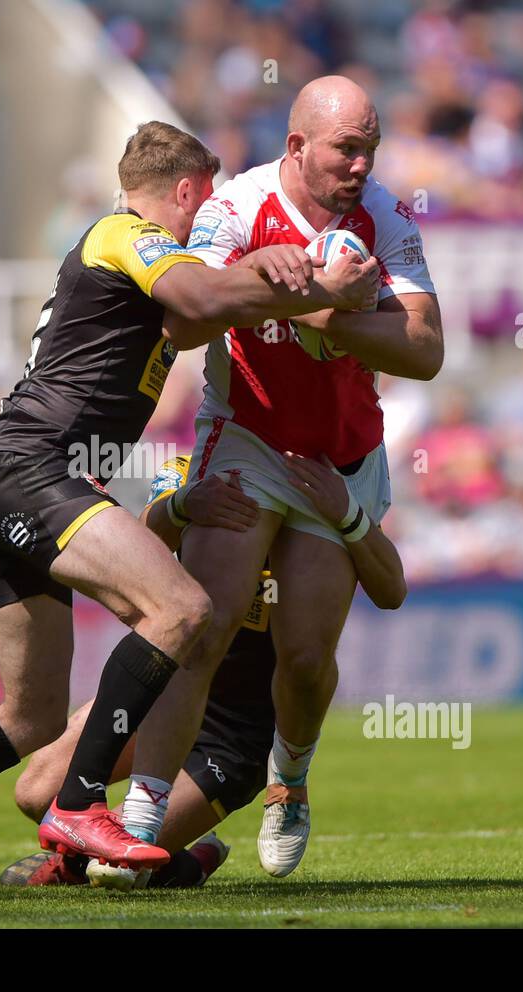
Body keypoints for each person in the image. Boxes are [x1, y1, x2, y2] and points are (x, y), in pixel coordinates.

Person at [0, 121, 379, 901]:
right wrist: (314, 283)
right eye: (206, 204)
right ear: (185, 191)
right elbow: (198, 293)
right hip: (32, 465)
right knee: (181, 608)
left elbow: (211, 312)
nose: (210, 223)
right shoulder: (128, 233)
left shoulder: (131, 256)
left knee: (31, 714)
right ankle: (83, 806)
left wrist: (301, 298)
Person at [119, 76, 442, 880]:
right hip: (248, 435)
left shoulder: (391, 217)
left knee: (303, 657)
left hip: (337, 455)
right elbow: (187, 321)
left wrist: (328, 312)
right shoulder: (235, 210)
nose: (361, 164)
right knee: (206, 619)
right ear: (297, 146)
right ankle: (140, 813)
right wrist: (270, 280)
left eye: (369, 146)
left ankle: (288, 783)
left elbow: (426, 350)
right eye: (345, 147)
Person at [2, 450, 406, 889]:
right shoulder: (198, 466)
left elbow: (392, 589)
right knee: (35, 792)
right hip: (163, 697)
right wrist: (184, 504)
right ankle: (173, 855)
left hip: (235, 736)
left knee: (112, 867)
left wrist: (348, 515)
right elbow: (141, 542)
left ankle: (184, 858)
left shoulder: (318, 490)